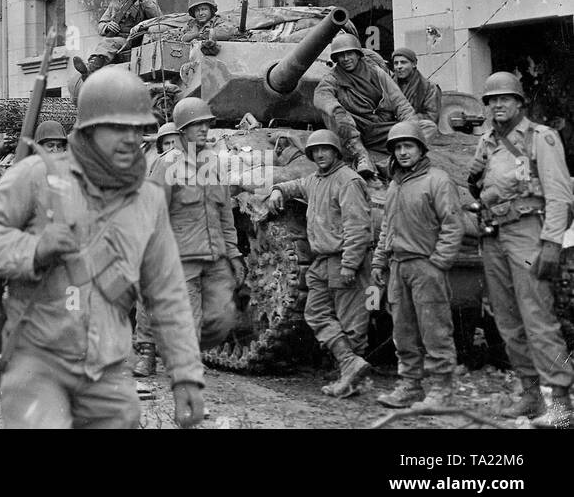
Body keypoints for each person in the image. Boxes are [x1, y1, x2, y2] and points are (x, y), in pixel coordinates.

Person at [0, 67, 206, 429]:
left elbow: (168, 292)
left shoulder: (148, 199)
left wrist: (186, 374)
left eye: (137, 129)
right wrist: (35, 250)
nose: (129, 139)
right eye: (117, 128)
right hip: (37, 362)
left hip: (106, 370)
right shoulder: (38, 176)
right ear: (88, 130)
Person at [469, 71, 573, 428]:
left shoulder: (540, 138)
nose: (497, 104)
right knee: (507, 320)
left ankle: (561, 404)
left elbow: (560, 195)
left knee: (539, 320)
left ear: (519, 102)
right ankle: (530, 394)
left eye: (504, 99)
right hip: (494, 234)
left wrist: (551, 242)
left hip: (529, 233)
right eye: (491, 100)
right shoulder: (486, 143)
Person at [265, 129, 373, 398]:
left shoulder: (348, 181)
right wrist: (279, 189)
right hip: (323, 261)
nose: (320, 154)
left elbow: (358, 227)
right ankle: (348, 365)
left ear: (336, 152)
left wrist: (349, 264)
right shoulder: (316, 179)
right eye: (315, 151)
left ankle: (350, 374)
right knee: (315, 312)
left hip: (344, 259)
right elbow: (298, 185)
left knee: (351, 322)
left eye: (325, 149)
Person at [372, 121, 464, 410]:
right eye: (397, 147)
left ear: (421, 149)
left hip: (426, 266)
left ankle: (442, 390)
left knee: (435, 330)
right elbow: (387, 225)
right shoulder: (394, 185)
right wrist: (379, 260)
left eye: (408, 146)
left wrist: (439, 262)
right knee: (403, 332)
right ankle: (410, 386)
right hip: (398, 267)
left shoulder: (437, 180)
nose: (402, 152)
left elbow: (453, 224)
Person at [159, 98, 244, 350]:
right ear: (182, 131)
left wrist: (234, 253)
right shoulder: (168, 164)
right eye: (197, 125)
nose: (204, 129)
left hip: (215, 256)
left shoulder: (214, 164)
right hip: (183, 256)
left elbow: (225, 213)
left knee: (223, 315)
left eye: (206, 124)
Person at [315, 32, 416, 179]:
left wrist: (411, 127)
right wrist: (336, 109)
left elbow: (399, 101)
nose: (345, 59)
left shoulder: (376, 72)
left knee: (415, 131)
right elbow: (321, 95)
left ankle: (388, 165)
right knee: (339, 118)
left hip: (380, 127)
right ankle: (362, 156)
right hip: (354, 128)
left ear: (358, 54)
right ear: (336, 59)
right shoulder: (333, 78)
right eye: (341, 55)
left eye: (349, 53)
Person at [134, 120, 182, 379]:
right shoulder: (162, 166)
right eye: (167, 143)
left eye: (176, 141)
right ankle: (147, 353)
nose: (172, 147)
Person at [96, 0, 160, 59]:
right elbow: (100, 25)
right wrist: (108, 27)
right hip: (121, 39)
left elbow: (159, 18)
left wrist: (144, 0)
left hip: (138, 38)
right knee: (106, 43)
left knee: (107, 43)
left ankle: (89, 67)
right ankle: (90, 67)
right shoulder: (115, 2)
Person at [391, 47, 442, 137]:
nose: (399, 67)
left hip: (415, 128)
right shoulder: (388, 83)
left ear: (414, 64)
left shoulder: (429, 87)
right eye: (396, 63)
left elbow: (431, 116)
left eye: (403, 62)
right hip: (391, 126)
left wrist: (407, 119)